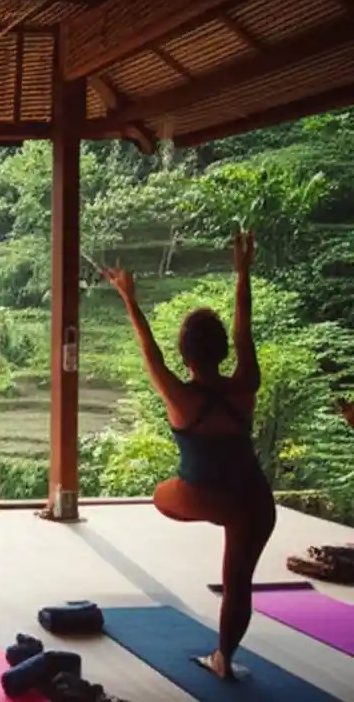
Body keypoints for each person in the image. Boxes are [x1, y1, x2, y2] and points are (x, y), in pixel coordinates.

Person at [103, 232, 275, 681]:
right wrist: (242, 274)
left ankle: (220, 658)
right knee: (239, 583)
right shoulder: (245, 385)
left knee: (162, 495)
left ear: (186, 354)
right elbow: (243, 328)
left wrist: (129, 298)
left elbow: (149, 351)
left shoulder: (180, 396)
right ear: (220, 352)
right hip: (253, 500)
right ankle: (224, 658)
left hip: (203, 495)